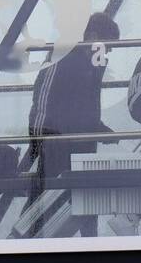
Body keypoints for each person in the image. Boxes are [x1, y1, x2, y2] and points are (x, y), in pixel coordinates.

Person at [24, 12, 121, 237]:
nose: (110, 51)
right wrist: (41, 141)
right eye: (109, 45)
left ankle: (85, 247)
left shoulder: (89, 62)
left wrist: (97, 129)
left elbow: (79, 106)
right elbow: (45, 102)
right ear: (93, 36)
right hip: (57, 141)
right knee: (51, 197)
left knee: (77, 198)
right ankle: (31, 242)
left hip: (75, 142)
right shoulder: (65, 57)